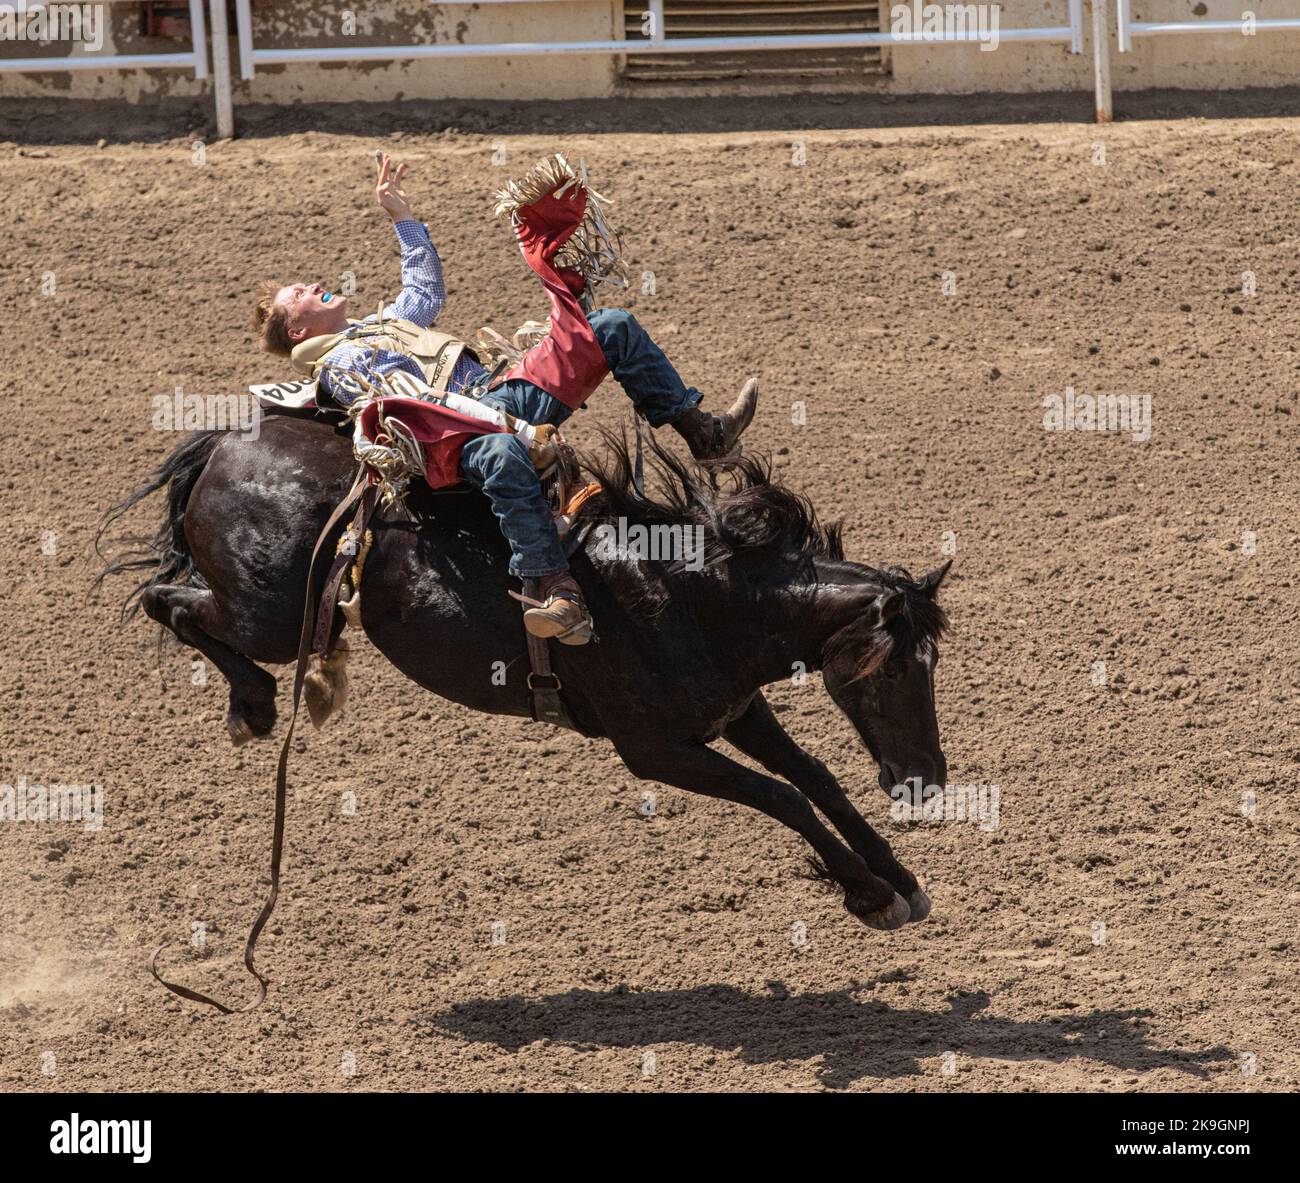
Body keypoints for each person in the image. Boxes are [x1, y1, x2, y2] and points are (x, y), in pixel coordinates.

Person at [252, 154, 758, 645]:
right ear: (297, 330)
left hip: (498, 397)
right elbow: (425, 402)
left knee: (608, 328)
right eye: (298, 292)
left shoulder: (378, 329)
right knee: (500, 453)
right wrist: (513, 429)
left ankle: (704, 434)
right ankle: (551, 587)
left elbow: (424, 290)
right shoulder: (343, 365)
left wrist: (401, 215)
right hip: (454, 440)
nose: (312, 284)